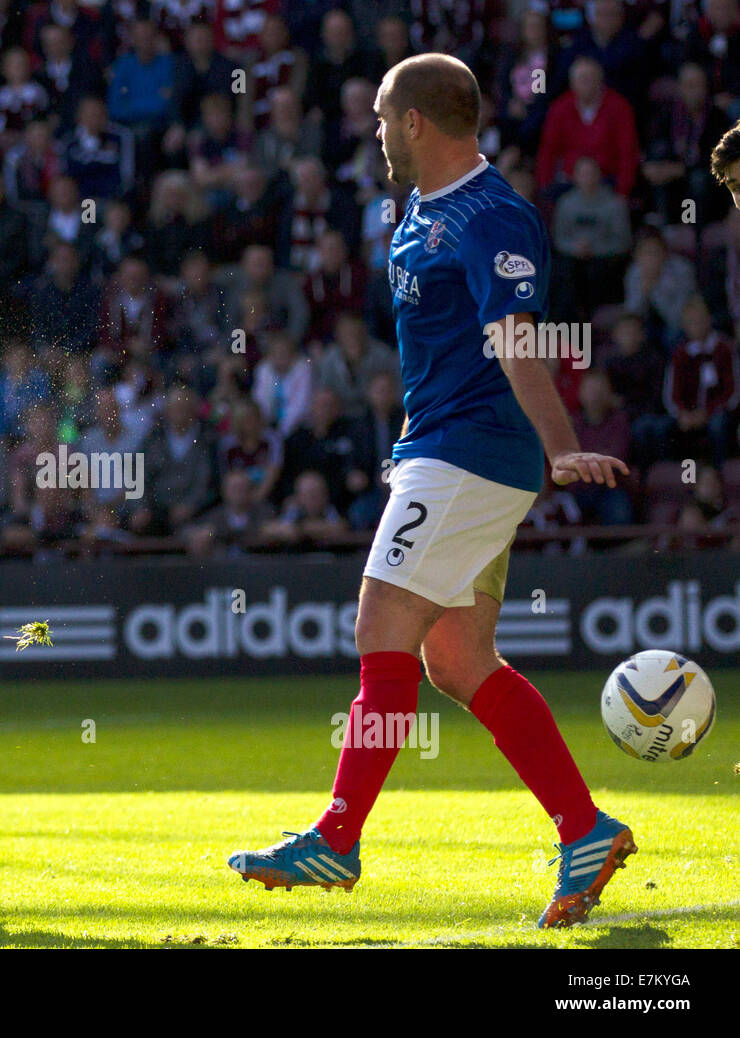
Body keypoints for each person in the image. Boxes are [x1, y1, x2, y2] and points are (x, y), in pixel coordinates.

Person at [228, 54, 635, 930]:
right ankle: (586, 829)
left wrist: (563, 448)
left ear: (415, 121)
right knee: (455, 659)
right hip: (447, 452)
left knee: (380, 624)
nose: (374, 132)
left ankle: (338, 836)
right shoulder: (421, 208)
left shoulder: (496, 216)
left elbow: (519, 343)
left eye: (381, 117)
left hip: (471, 455)